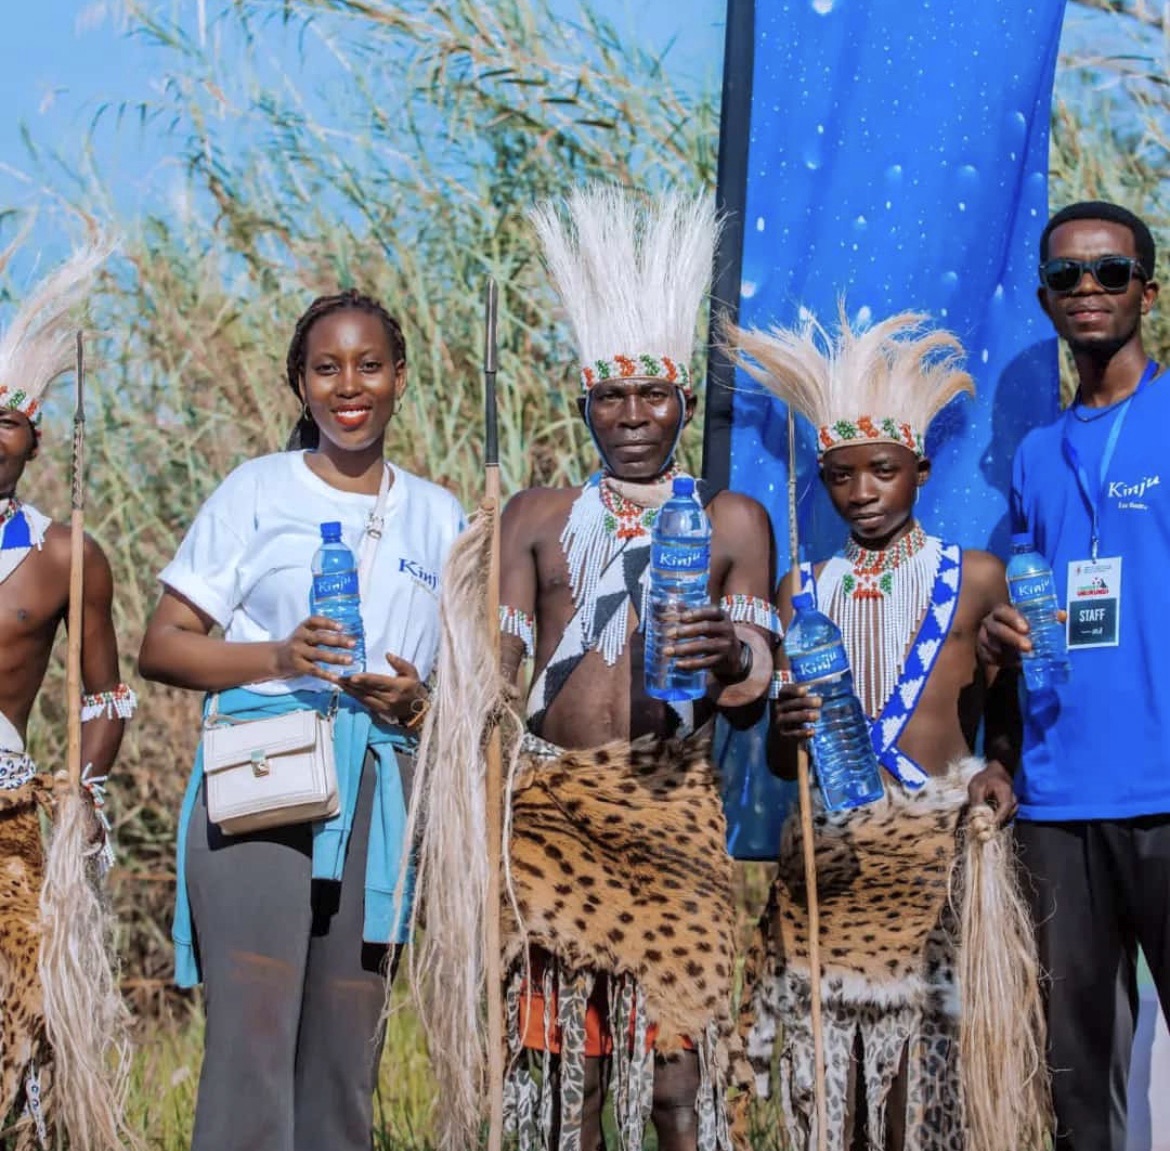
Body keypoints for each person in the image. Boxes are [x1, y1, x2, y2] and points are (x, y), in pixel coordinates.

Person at [138, 289, 465, 1151]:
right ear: (300, 383)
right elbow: (163, 645)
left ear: (400, 377)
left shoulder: (441, 516)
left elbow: (465, 692)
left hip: (379, 789)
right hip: (262, 774)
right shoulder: (257, 489)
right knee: (251, 1047)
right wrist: (281, 657)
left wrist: (420, 704)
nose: (347, 385)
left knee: (344, 1063)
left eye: (368, 365)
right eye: (326, 367)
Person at [484, 187, 775, 1151]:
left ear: (684, 403)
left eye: (653, 394)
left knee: (675, 1073)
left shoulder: (730, 521)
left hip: (671, 801)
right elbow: (503, 661)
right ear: (585, 405)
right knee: (566, 1067)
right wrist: (477, 696)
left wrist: (731, 653)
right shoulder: (534, 514)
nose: (634, 415)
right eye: (611, 396)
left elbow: (754, 674)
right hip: (554, 810)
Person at [729, 308, 1047, 1151]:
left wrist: (1001, 767)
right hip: (830, 864)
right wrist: (786, 724)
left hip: (935, 864)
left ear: (920, 469)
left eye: (882, 470)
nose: (862, 491)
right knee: (835, 1094)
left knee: (923, 1090)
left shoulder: (976, 576)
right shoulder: (807, 586)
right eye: (840, 475)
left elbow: (1007, 710)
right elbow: (776, 754)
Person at [978, 200, 1165, 1151]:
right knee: (1076, 1088)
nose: (1087, 289)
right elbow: (1026, 627)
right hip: (1056, 807)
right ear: (1046, 299)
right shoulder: (1036, 454)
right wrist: (996, 653)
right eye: (1065, 277)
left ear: (1147, 289)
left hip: (1165, 792)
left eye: (1109, 272)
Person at [0, 245, 134, 1129]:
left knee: (18, 1035)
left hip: (6, 814)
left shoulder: (64, 554)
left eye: (4, 420)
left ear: (35, 434)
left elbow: (106, 697)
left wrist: (80, 794)